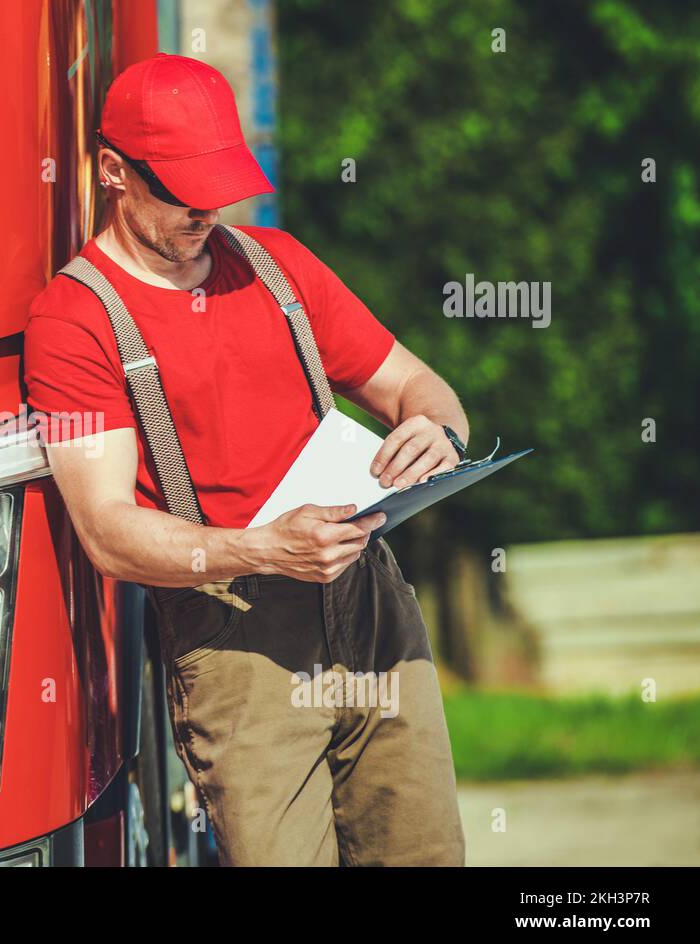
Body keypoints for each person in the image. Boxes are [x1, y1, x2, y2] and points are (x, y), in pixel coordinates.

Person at [23, 54, 468, 866]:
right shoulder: (73, 322)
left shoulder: (277, 264)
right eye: (183, 192)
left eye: (218, 187)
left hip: (370, 604)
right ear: (115, 171)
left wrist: (441, 431)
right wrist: (267, 547)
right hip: (234, 636)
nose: (207, 212)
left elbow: (417, 385)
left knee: (424, 855)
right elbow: (106, 531)